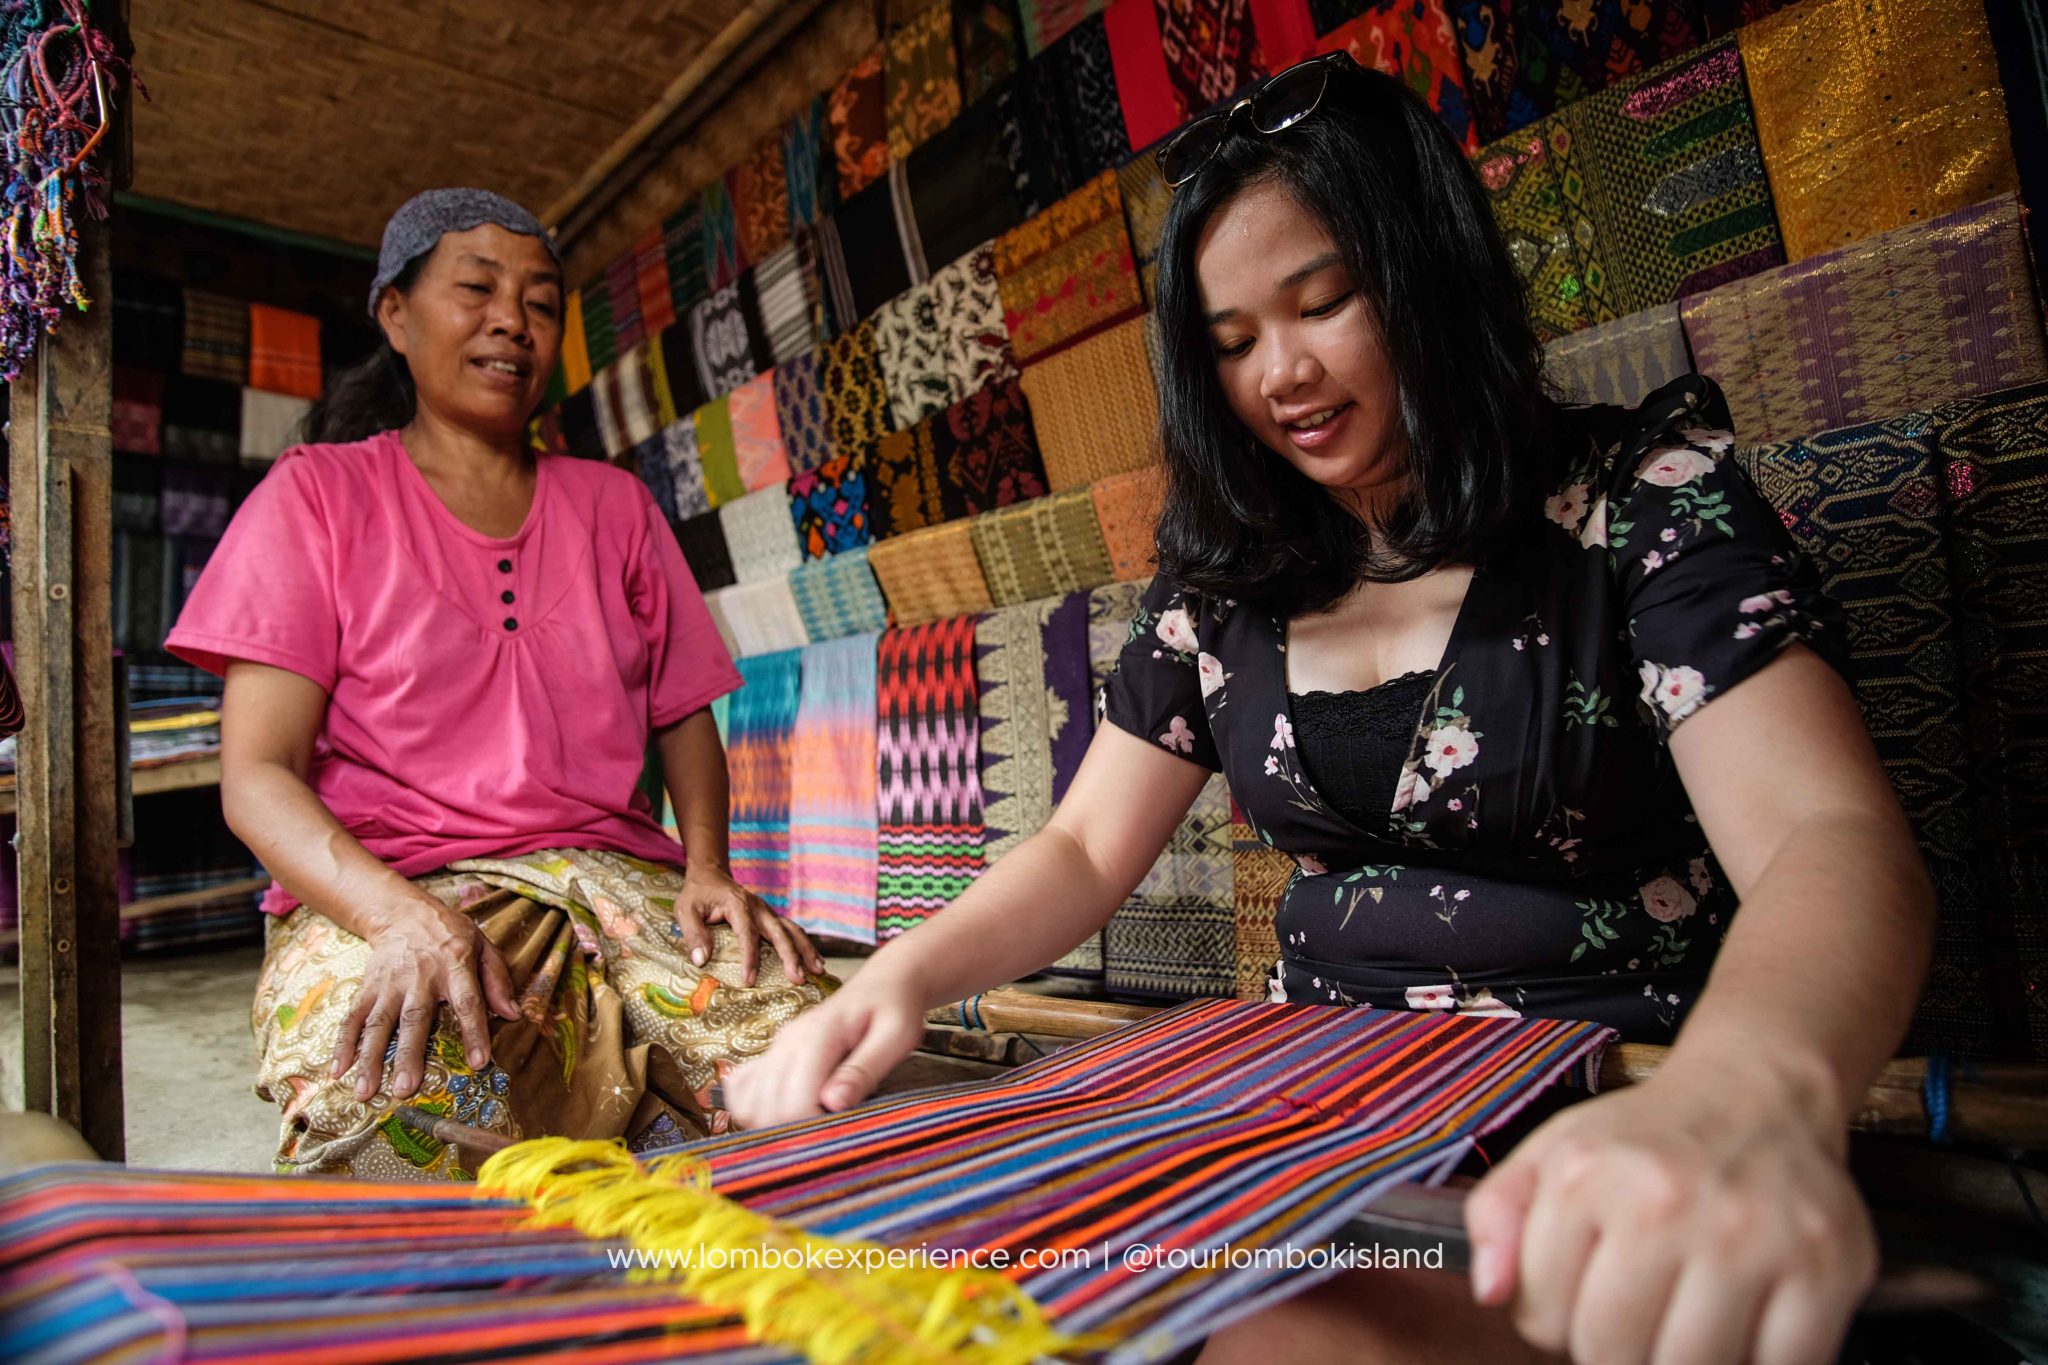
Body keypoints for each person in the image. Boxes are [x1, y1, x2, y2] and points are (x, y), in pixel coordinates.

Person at [728, 55, 1935, 1365]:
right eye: (1233, 343)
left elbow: (1826, 831)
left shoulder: (1639, 500)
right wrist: (896, 981)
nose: (1282, 376)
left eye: (1324, 303)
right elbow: (1082, 848)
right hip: (1297, 1110)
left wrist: (1747, 1091)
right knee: (864, 1254)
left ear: (1427, 274)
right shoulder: (1229, 581)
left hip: (1597, 1110)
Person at [168, 189, 832, 1180]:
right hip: (394, 884)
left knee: (812, 1076)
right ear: (395, 316)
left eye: (538, 302)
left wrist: (704, 871)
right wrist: (398, 918)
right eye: (475, 289)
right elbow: (257, 772)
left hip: (614, 883)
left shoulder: (613, 505)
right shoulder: (316, 496)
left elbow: (683, 713)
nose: (511, 325)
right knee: (379, 1118)